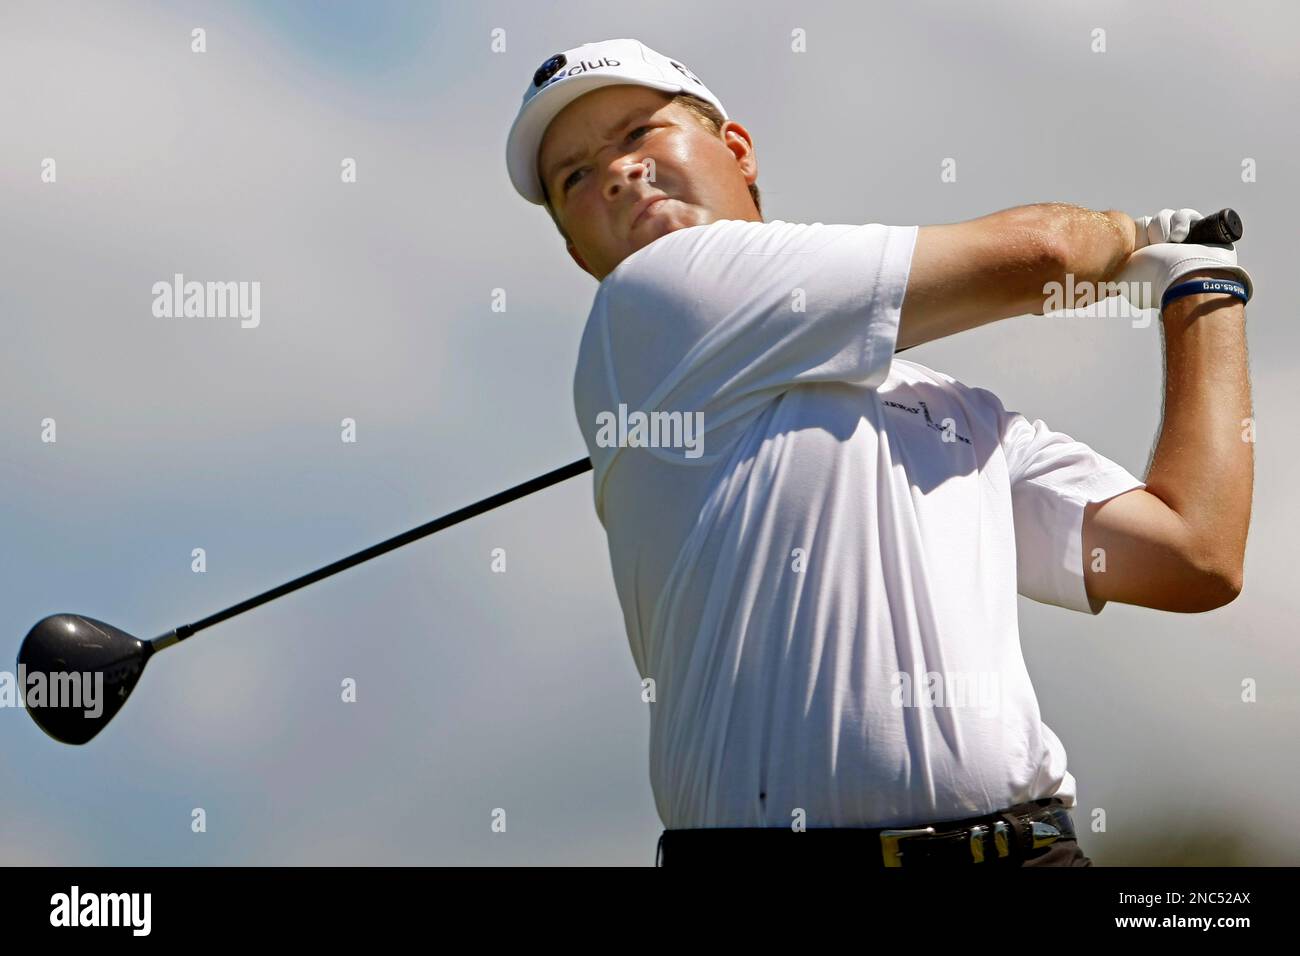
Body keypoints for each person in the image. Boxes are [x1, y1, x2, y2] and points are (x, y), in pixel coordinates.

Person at [505, 38, 1253, 867]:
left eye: (639, 130)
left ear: (738, 150)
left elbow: (1194, 555)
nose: (616, 172)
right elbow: (1043, 254)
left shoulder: (951, 409)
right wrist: (1135, 237)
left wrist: (1207, 290)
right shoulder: (648, 297)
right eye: (574, 176)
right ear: (580, 254)